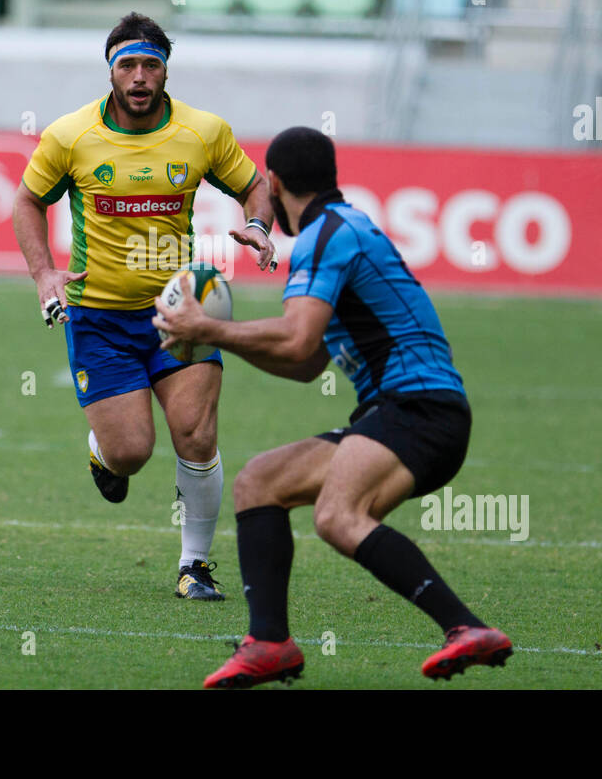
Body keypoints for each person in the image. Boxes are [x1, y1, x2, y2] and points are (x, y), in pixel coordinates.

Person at [153, 126, 512, 684]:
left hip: (419, 408)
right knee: (259, 483)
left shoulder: (328, 234)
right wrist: (214, 336)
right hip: (402, 412)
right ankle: (269, 644)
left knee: (338, 517)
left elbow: (295, 341)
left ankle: (464, 627)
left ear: (271, 184)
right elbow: (306, 365)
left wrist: (209, 329)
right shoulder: (341, 229)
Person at [13, 12, 276, 599]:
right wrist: (42, 274)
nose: (138, 76)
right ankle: (102, 452)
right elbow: (27, 201)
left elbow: (254, 184)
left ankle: (194, 566)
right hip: (98, 319)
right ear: (110, 70)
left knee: (197, 437)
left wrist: (257, 224)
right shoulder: (69, 135)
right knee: (131, 453)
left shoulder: (202, 132)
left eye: (150, 65)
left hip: (182, 309)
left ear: (165, 71)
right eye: (127, 65)